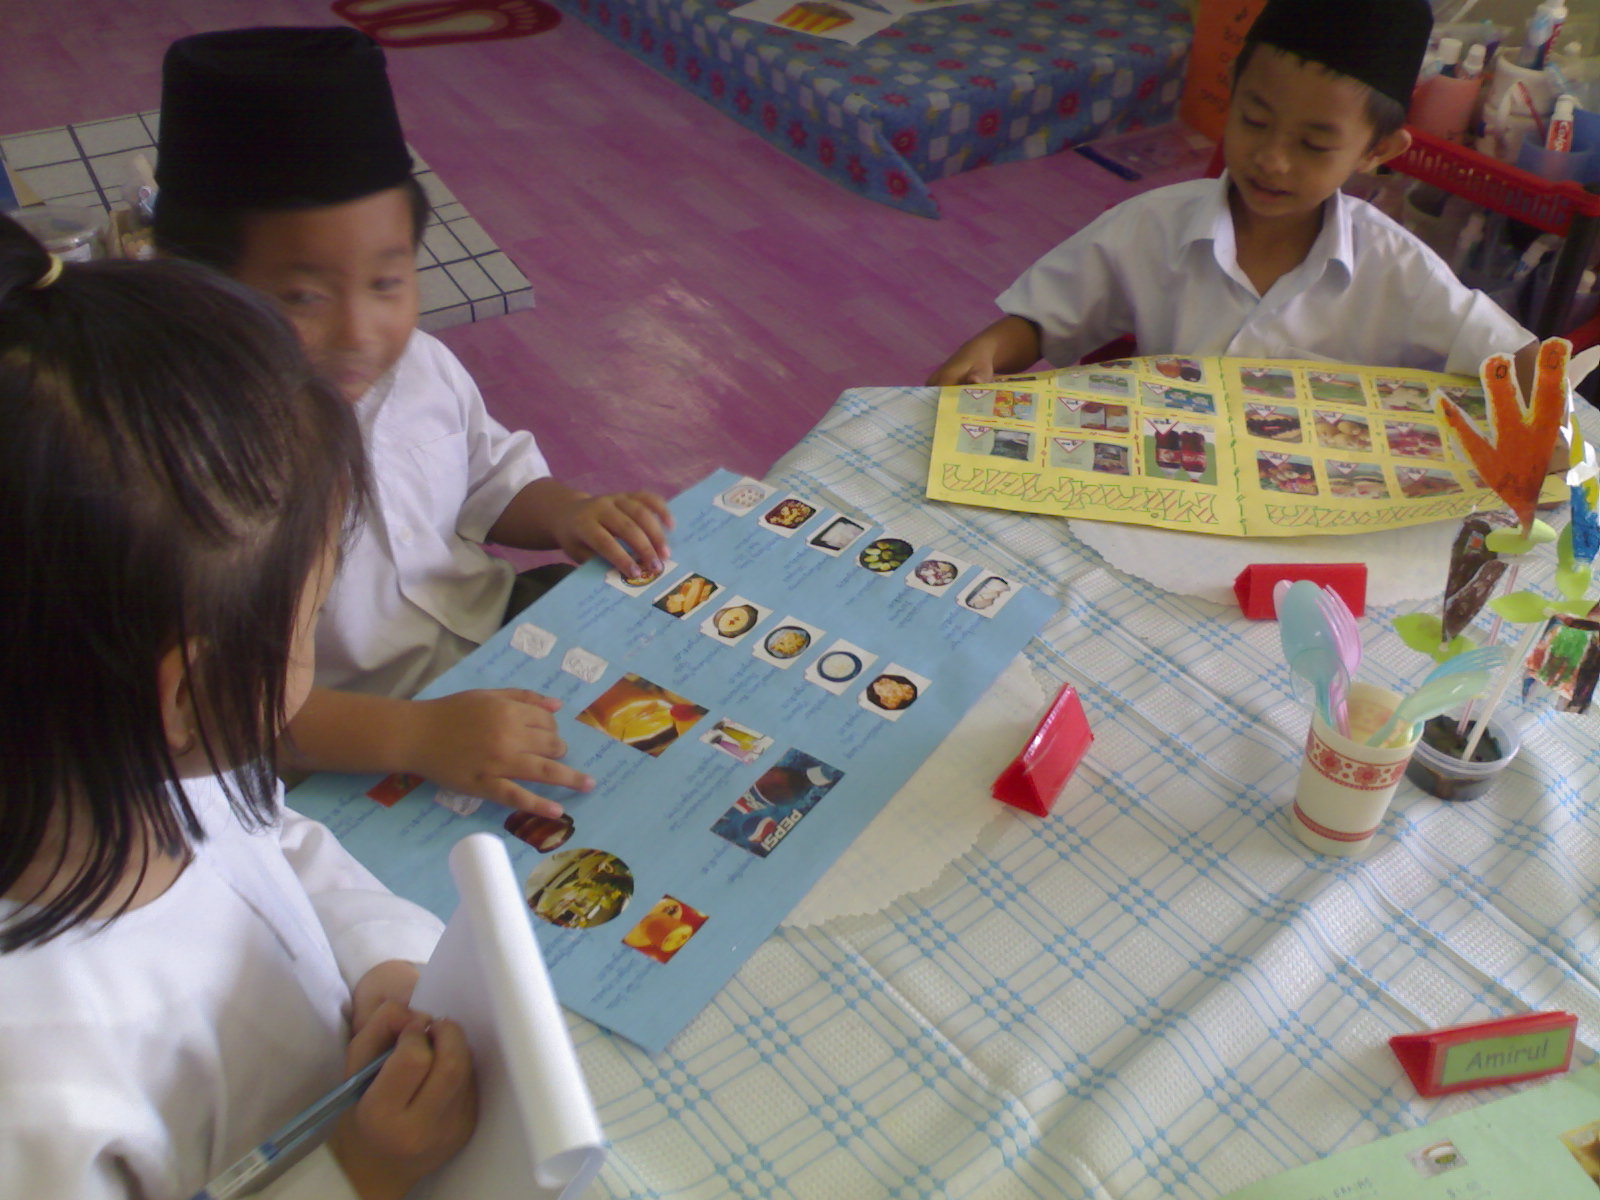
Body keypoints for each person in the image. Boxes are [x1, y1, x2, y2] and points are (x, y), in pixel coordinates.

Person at [0, 214, 474, 1198]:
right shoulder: (38, 1098)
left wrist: (382, 965)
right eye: (312, 614)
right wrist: (360, 1177)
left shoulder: (158, 768)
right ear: (188, 690)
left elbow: (280, 843)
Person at [152, 26, 674, 815]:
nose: (364, 332)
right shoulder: (185, 466)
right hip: (348, 742)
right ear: (201, 291)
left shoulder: (421, 364)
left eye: (389, 280)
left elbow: (493, 478)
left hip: (493, 638)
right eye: (304, 296)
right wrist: (415, 738)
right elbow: (228, 712)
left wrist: (570, 513)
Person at [928, 0, 1539, 389]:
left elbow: (1515, 357)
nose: (1272, 158)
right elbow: (1042, 319)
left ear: (1376, 152)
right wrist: (987, 351)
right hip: (1164, 489)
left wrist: (1553, 425)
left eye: (1313, 143)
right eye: (1254, 120)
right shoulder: (1151, 227)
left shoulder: (1396, 268)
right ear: (1232, 93)